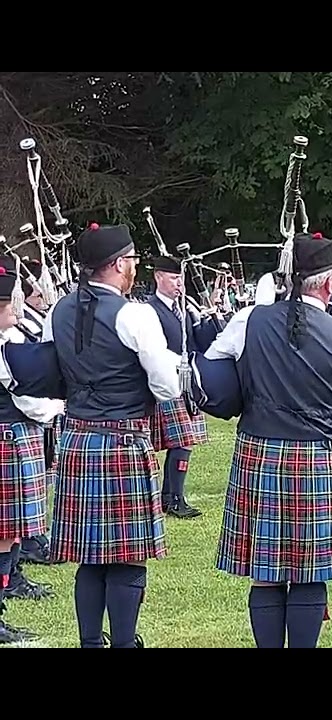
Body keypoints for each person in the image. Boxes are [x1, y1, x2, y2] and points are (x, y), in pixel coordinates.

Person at [205, 231, 332, 648]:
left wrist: (247, 398)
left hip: (257, 450)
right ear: (330, 283)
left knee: (265, 571)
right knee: (310, 571)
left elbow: (212, 365)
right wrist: (323, 421)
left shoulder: (250, 319)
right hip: (316, 456)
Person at [46, 223, 180, 648]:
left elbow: (51, 371)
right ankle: (123, 642)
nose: (135, 267)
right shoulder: (135, 313)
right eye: (133, 260)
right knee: (127, 558)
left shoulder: (58, 310)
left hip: (76, 440)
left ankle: (90, 642)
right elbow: (166, 386)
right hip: (121, 440)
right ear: (119, 264)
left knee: (89, 558)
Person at [0, 256, 63, 640]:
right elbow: (26, 398)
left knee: (10, 533)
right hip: (7, 436)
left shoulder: (9, 342)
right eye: (9, 306)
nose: (15, 311)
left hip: (13, 437)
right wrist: (59, 405)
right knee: (4, 533)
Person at [147, 256, 222, 519]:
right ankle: (173, 498)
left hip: (186, 381)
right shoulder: (150, 309)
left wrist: (211, 317)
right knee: (182, 441)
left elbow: (201, 343)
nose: (179, 283)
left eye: (181, 278)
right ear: (159, 277)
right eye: (174, 278)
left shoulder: (184, 307)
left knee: (183, 442)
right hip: (165, 381)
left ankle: (171, 496)